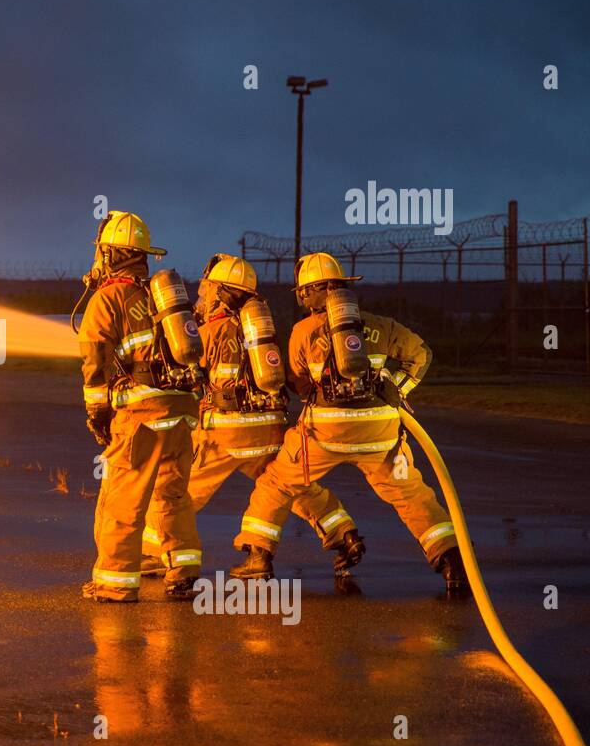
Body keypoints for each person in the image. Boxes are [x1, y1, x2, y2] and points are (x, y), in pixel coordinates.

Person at [230, 252, 468, 592]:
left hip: (324, 434)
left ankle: (258, 558)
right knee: (410, 494)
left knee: (277, 484)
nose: (301, 298)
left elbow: (299, 383)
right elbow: (421, 355)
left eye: (303, 291)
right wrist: (395, 389)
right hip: (381, 435)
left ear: (314, 292)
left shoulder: (304, 331)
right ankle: (452, 561)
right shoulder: (382, 325)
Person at [143, 254, 364, 596]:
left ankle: (155, 553)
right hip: (268, 428)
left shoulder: (208, 333)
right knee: (289, 486)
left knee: (178, 492)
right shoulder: (263, 331)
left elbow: (182, 375)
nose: (202, 297)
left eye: (208, 290)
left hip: (224, 433)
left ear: (221, 293)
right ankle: (344, 535)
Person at [78, 211, 202, 603]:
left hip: (141, 416)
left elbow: (95, 361)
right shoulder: (161, 296)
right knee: (174, 494)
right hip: (181, 412)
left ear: (113, 255)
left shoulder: (108, 298)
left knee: (123, 499)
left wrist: (97, 413)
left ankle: (115, 585)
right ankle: (182, 573)